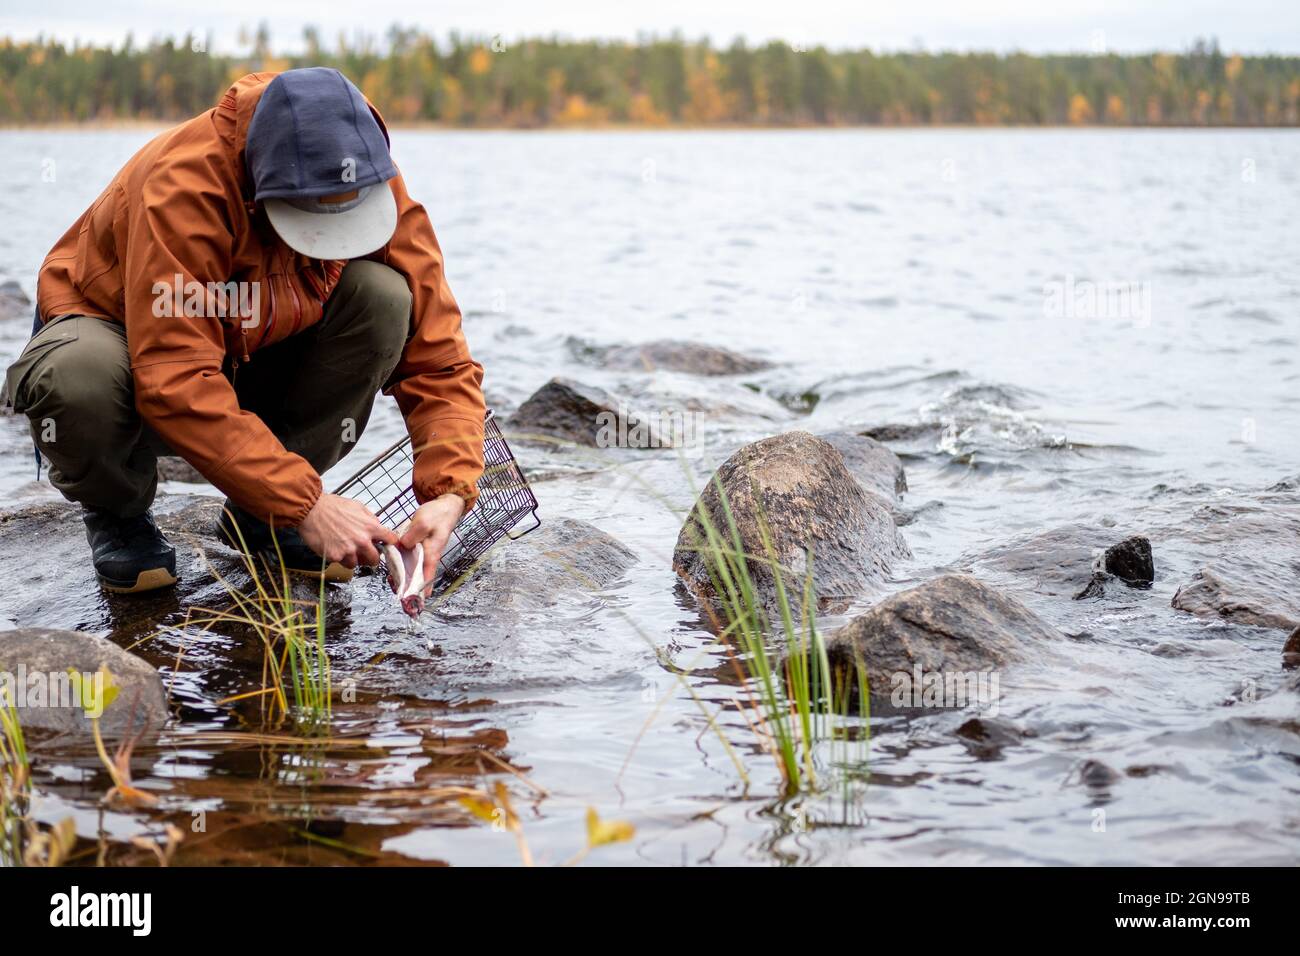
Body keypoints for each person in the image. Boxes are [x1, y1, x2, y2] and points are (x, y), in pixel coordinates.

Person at [3, 67, 486, 593]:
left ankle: (262, 518)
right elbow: (176, 376)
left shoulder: (367, 172)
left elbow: (439, 355)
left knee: (386, 298)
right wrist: (309, 503)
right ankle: (118, 514)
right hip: (128, 348)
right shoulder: (184, 187)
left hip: (247, 345)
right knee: (78, 374)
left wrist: (449, 489)